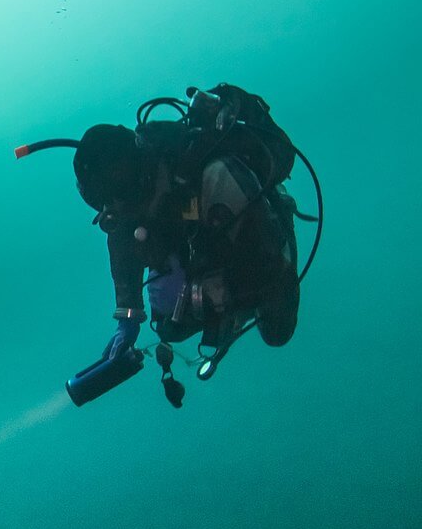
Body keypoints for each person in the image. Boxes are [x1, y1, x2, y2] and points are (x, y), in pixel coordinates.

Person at [67, 84, 303, 402]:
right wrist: (128, 318)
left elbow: (271, 272)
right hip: (197, 247)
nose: (118, 218)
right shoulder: (126, 202)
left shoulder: (213, 176)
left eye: (119, 205)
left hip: (255, 247)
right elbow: (122, 246)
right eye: (108, 210)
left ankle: (274, 224)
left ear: (140, 180)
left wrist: (214, 295)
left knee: (277, 333)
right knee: (169, 328)